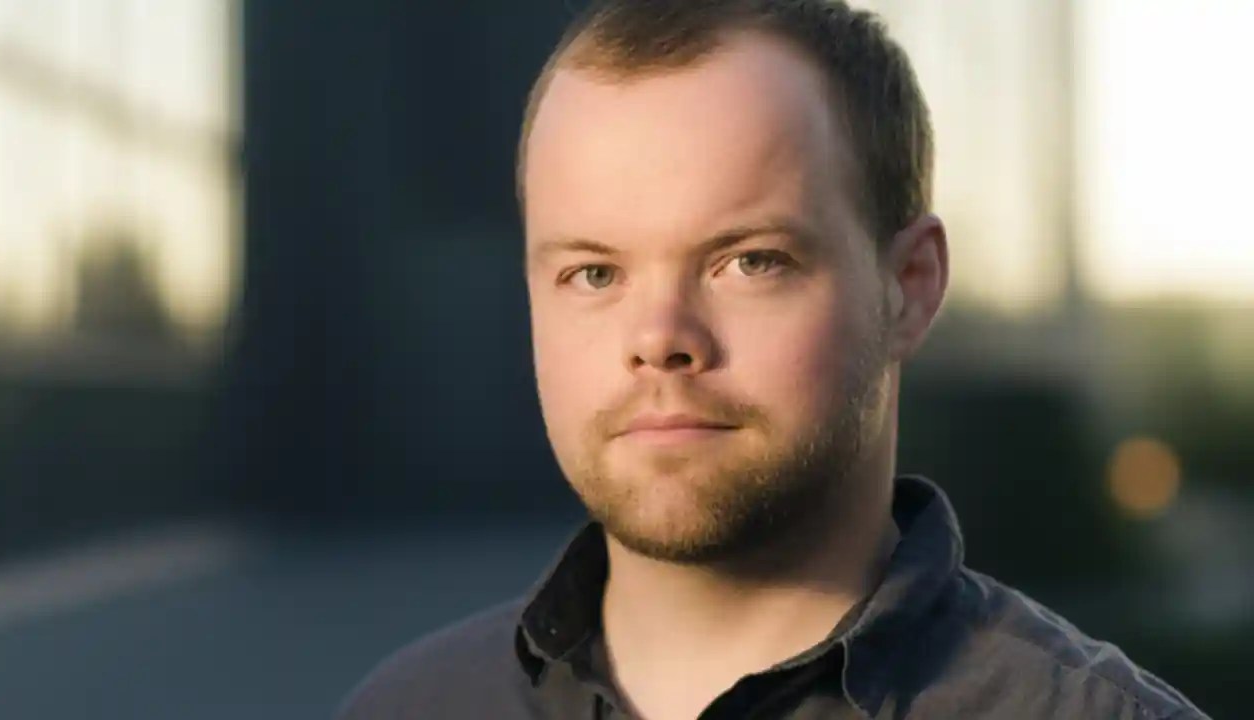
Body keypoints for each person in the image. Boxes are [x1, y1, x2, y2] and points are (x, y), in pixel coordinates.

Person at [337, 1, 1208, 718]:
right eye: (593, 272)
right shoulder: (407, 707)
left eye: (749, 261)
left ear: (908, 285)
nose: (660, 336)